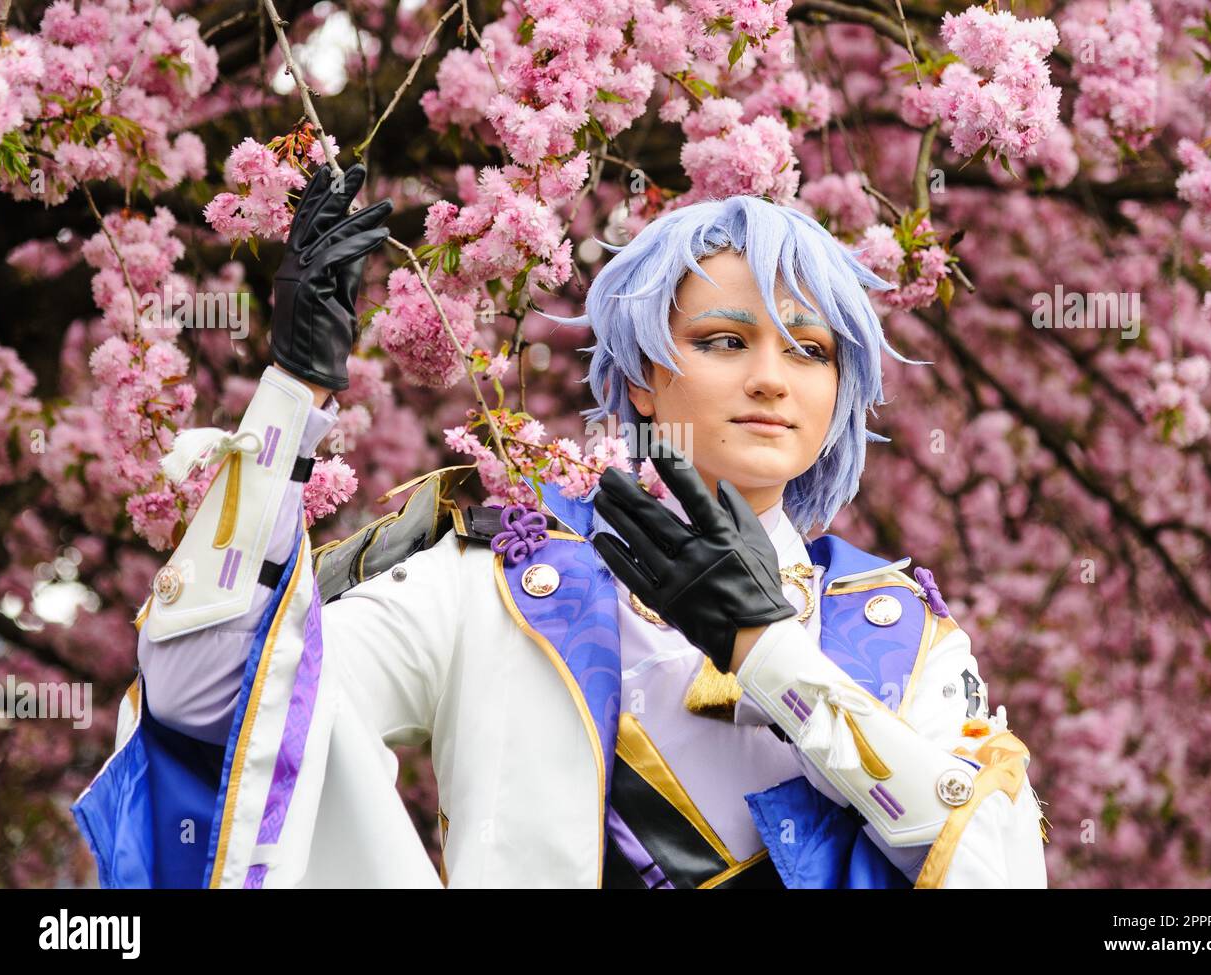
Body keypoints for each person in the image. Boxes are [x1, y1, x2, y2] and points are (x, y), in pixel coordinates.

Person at [71, 165, 1049, 888]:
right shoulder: (493, 581)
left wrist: (768, 654)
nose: (769, 377)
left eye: (810, 350)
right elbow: (214, 711)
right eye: (723, 340)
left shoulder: (898, 630)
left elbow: (993, 872)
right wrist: (289, 402)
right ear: (636, 379)